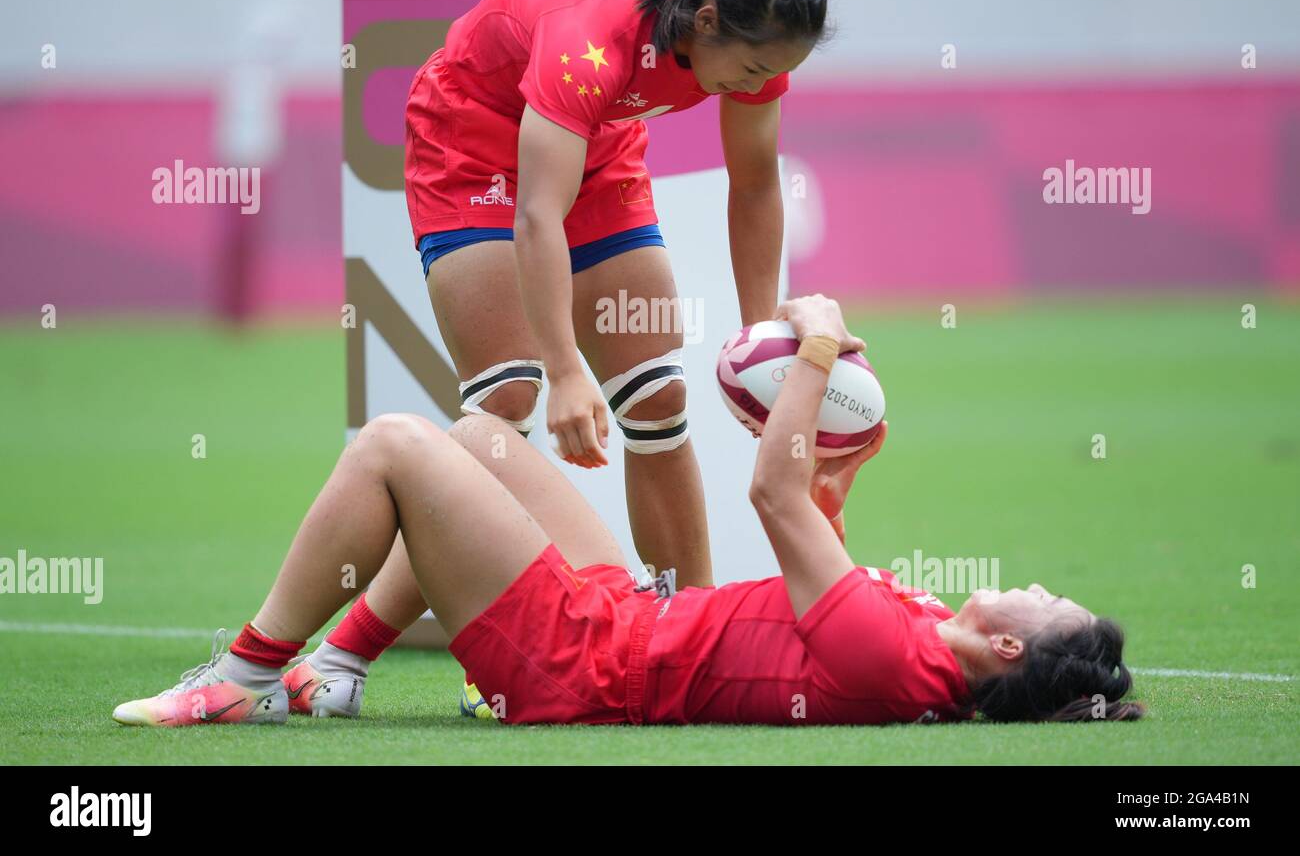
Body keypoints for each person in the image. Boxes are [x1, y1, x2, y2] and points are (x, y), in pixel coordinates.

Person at [113, 296, 1144, 727]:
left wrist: (818, 347)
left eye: (1052, 602)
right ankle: (334, 671)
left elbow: (772, 494)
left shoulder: (896, 656)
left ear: (1010, 643)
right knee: (480, 440)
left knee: (393, 444)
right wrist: (848, 459)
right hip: (625, 616)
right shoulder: (919, 636)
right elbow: (814, 532)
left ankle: (241, 675)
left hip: (582, 658)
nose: (1042, 582)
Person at [297, 0, 830, 717]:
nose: (755, 88)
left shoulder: (759, 28)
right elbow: (538, 217)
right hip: (473, 139)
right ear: (709, 20)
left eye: (772, 75)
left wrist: (757, 345)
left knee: (658, 402)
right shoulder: (594, 37)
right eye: (750, 70)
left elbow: (754, 184)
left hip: (597, 141)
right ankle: (342, 658)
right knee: (504, 408)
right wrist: (565, 369)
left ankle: (694, 642)